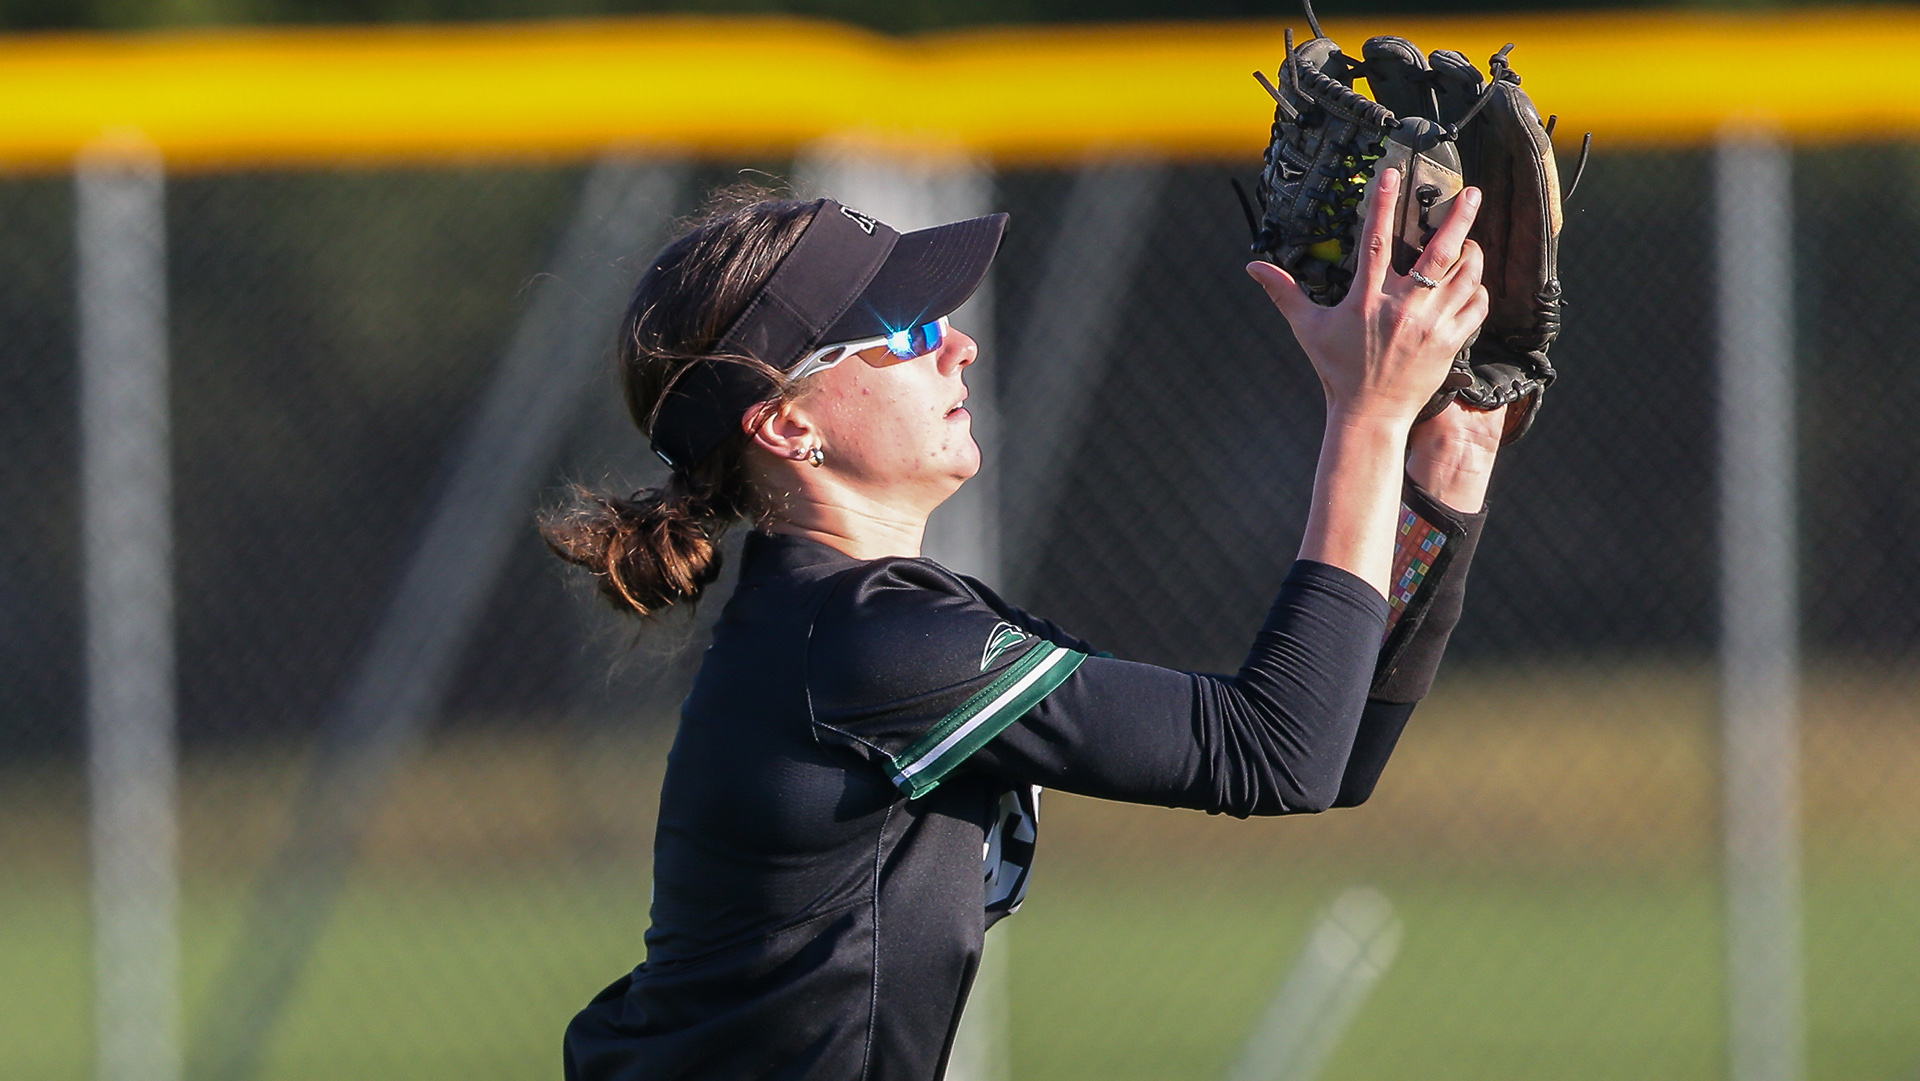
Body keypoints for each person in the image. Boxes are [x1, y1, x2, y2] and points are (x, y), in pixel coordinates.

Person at [545, 173, 1503, 1081]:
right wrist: (1368, 416)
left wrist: (1442, 475)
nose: (958, 346)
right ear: (788, 427)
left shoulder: (876, 624)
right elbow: (1276, 750)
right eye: (908, 330)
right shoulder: (866, 643)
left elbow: (1320, 746)